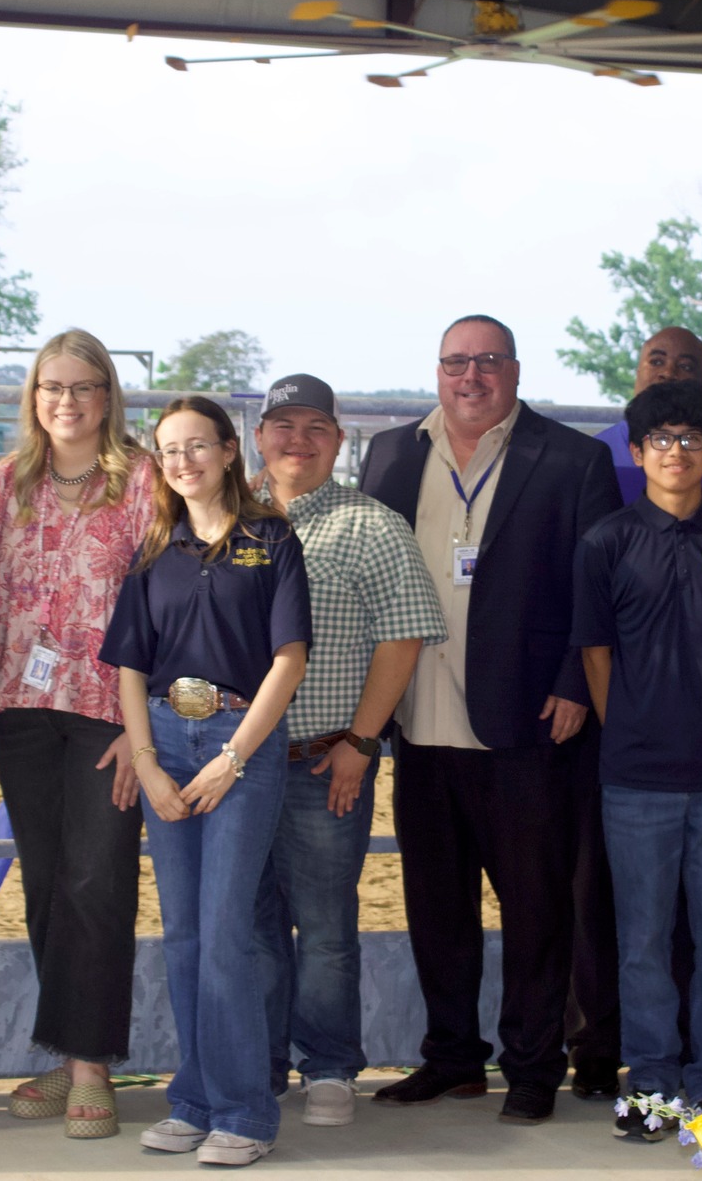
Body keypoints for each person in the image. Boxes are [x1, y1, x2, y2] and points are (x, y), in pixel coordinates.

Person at [360, 314, 619, 1124]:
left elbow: (596, 587)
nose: (471, 377)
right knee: (436, 906)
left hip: (529, 721)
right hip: (418, 717)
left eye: (487, 362)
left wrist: (578, 677)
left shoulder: (574, 458)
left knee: (537, 906)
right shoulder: (393, 453)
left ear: (515, 368)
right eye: (455, 362)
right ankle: (451, 1058)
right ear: (437, 370)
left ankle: (534, 1066)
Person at [102, 397, 310, 1167]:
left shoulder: (272, 540)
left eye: (198, 446)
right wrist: (149, 759)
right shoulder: (156, 547)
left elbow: (288, 660)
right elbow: (128, 662)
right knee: (185, 934)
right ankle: (193, 1099)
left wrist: (235, 758)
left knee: (226, 933)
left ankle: (246, 1114)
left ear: (229, 451)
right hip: (168, 744)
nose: (183, 461)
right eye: (169, 450)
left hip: (237, 744)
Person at [0, 329, 156, 1140]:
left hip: (109, 716)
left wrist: (142, 734)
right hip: (18, 709)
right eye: (52, 387)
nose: (67, 402)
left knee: (98, 881)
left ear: (108, 395)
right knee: (46, 884)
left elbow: (170, 601)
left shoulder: (145, 482)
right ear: (33, 397)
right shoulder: (6, 484)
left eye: (84, 387)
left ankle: (91, 1071)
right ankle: (71, 1050)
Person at [248, 375, 445, 1127]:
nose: (297, 440)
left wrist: (364, 741)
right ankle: (262, 1061)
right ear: (259, 435)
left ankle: (328, 1064)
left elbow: (403, 635)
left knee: (326, 924)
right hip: (238, 764)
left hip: (324, 759)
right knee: (253, 921)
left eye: (315, 428)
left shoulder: (369, 525)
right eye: (283, 425)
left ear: (338, 439)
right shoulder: (225, 520)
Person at [571, 381, 702, 1137]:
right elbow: (594, 652)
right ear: (638, 451)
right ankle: (650, 1085)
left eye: (692, 439)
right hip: (636, 778)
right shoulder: (606, 543)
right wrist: (633, 730)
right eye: (661, 440)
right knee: (643, 941)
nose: (676, 452)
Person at [594, 327, 702, 521]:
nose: (668, 373)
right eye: (657, 362)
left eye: (685, 366)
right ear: (638, 372)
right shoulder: (592, 457)